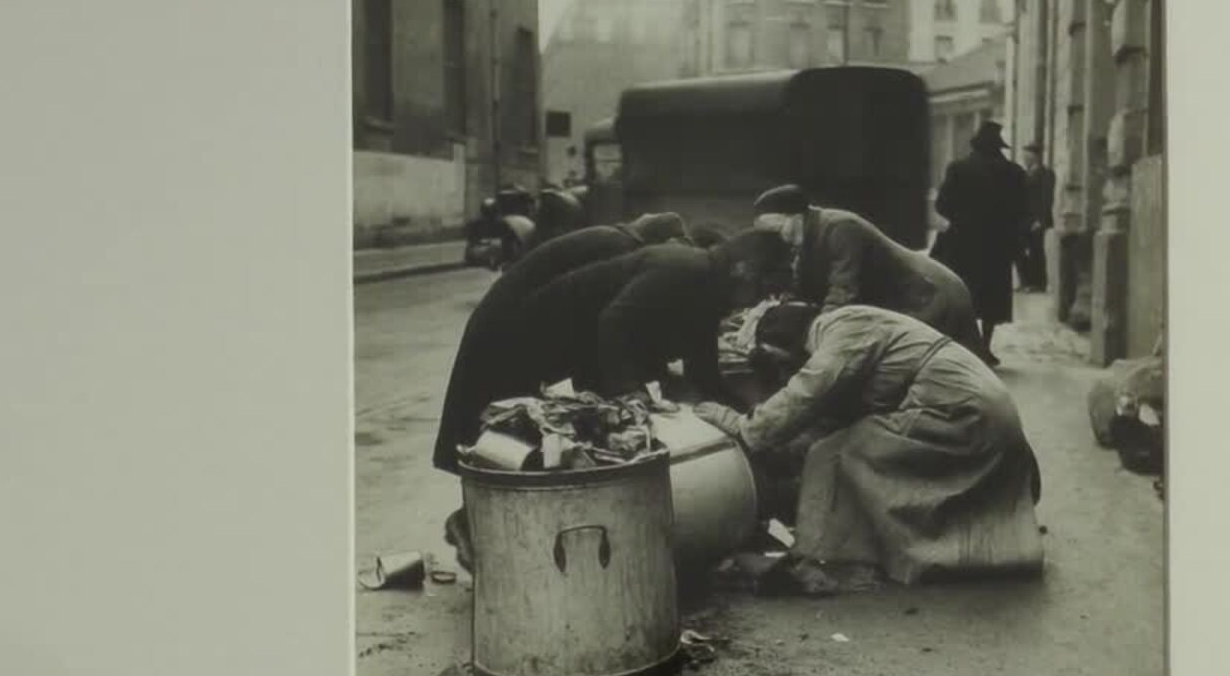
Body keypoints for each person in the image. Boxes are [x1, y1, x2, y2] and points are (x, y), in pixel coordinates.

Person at [693, 302, 1044, 591]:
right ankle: (848, 548)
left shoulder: (840, 332)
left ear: (784, 346)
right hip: (979, 400)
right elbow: (828, 417)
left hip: (958, 406)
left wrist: (741, 425)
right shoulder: (849, 322)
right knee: (835, 447)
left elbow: (806, 392)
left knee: (845, 453)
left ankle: (836, 555)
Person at [435, 212, 690, 567]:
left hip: (517, 334)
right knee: (497, 433)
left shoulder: (612, 239)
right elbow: (599, 317)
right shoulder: (616, 247)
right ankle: (470, 525)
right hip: (506, 336)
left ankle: (479, 526)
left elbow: (584, 314)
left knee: (507, 434)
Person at [518, 231, 789, 400]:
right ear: (743, 269)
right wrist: (631, 393)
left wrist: (743, 415)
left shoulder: (711, 292)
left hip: (587, 339)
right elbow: (615, 323)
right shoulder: (685, 269)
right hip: (550, 332)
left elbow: (703, 374)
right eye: (763, 289)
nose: (756, 302)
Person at [751, 184, 985, 355]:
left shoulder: (841, 228)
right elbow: (804, 287)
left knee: (933, 367)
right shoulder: (806, 235)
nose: (776, 240)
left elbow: (843, 292)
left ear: (795, 217)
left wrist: (818, 337)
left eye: (777, 230)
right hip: (904, 296)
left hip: (929, 292)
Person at [931, 120, 1027, 366]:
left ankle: (968, 344)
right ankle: (985, 345)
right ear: (998, 147)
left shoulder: (958, 169)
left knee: (966, 292)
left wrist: (962, 218)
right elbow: (1022, 211)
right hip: (997, 246)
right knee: (993, 297)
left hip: (963, 242)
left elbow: (941, 205)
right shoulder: (1014, 174)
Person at [1016, 142, 1055, 293]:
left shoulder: (1047, 174)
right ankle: (1025, 282)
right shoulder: (1024, 174)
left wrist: (1040, 220)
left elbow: (1047, 198)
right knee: (1019, 250)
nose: (1024, 158)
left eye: (1027, 155)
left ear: (1036, 156)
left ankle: (1038, 284)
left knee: (1036, 251)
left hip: (1037, 220)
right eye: (1024, 155)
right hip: (1022, 220)